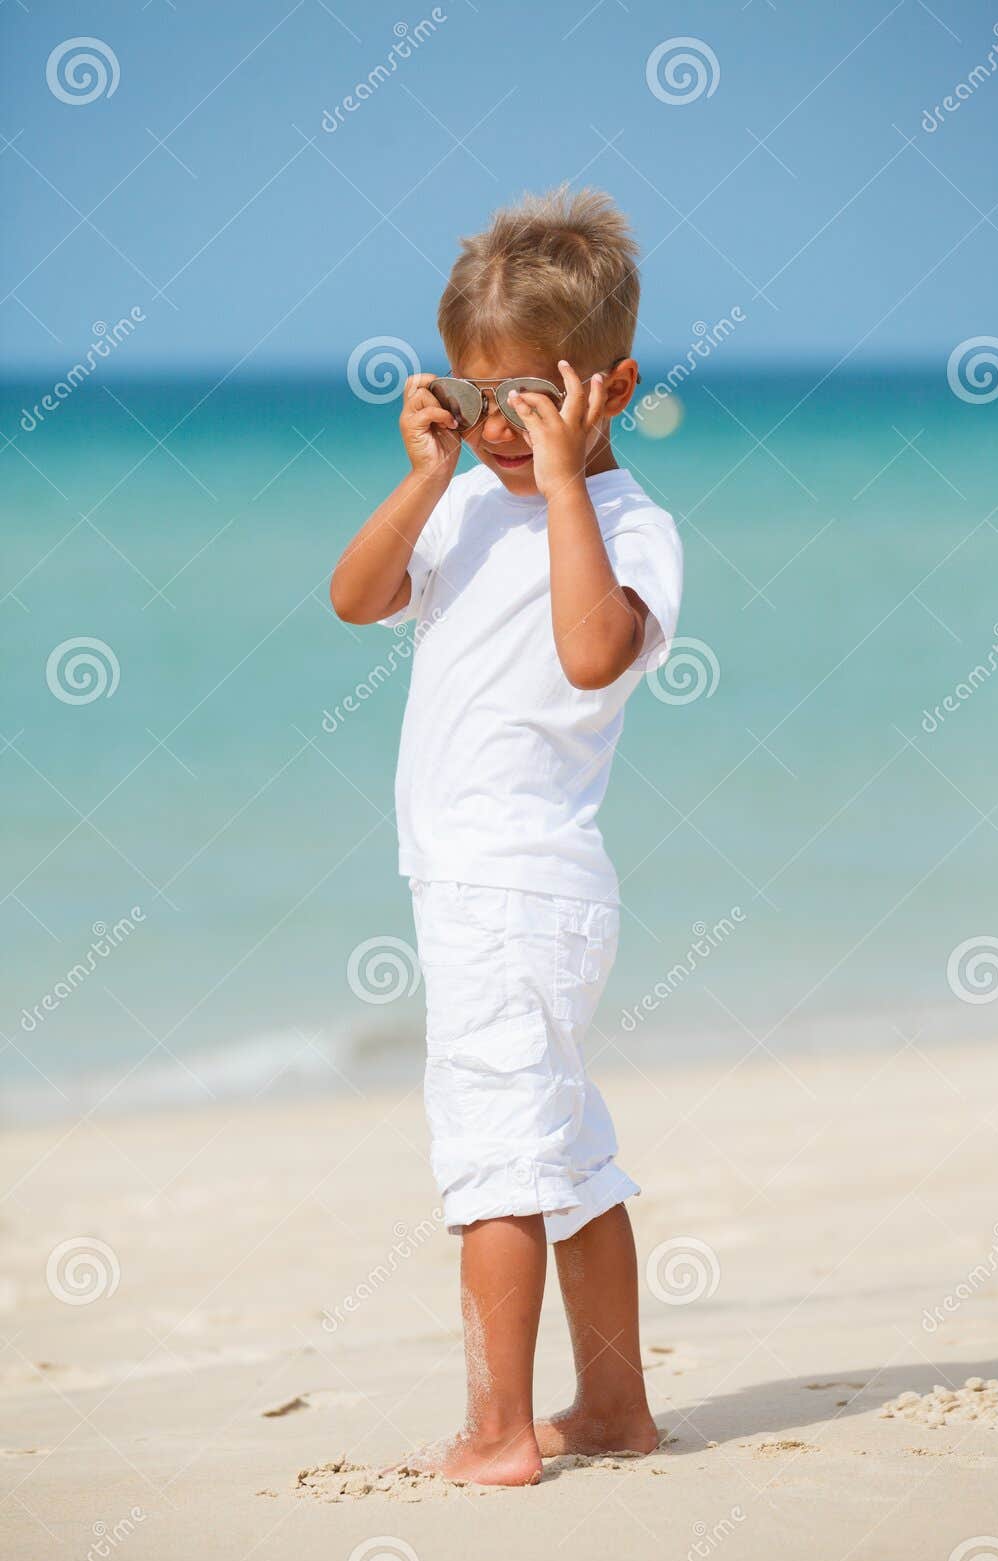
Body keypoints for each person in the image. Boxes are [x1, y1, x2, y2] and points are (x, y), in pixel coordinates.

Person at [330, 186, 684, 1486]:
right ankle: (611, 1408)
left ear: (610, 387)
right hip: (481, 885)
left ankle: (495, 1431)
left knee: (494, 1154)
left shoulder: (632, 527)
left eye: (527, 399)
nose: (495, 430)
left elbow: (593, 654)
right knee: (571, 1152)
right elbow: (353, 596)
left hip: (519, 883)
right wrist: (429, 474)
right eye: (474, 400)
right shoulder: (465, 502)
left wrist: (561, 484)